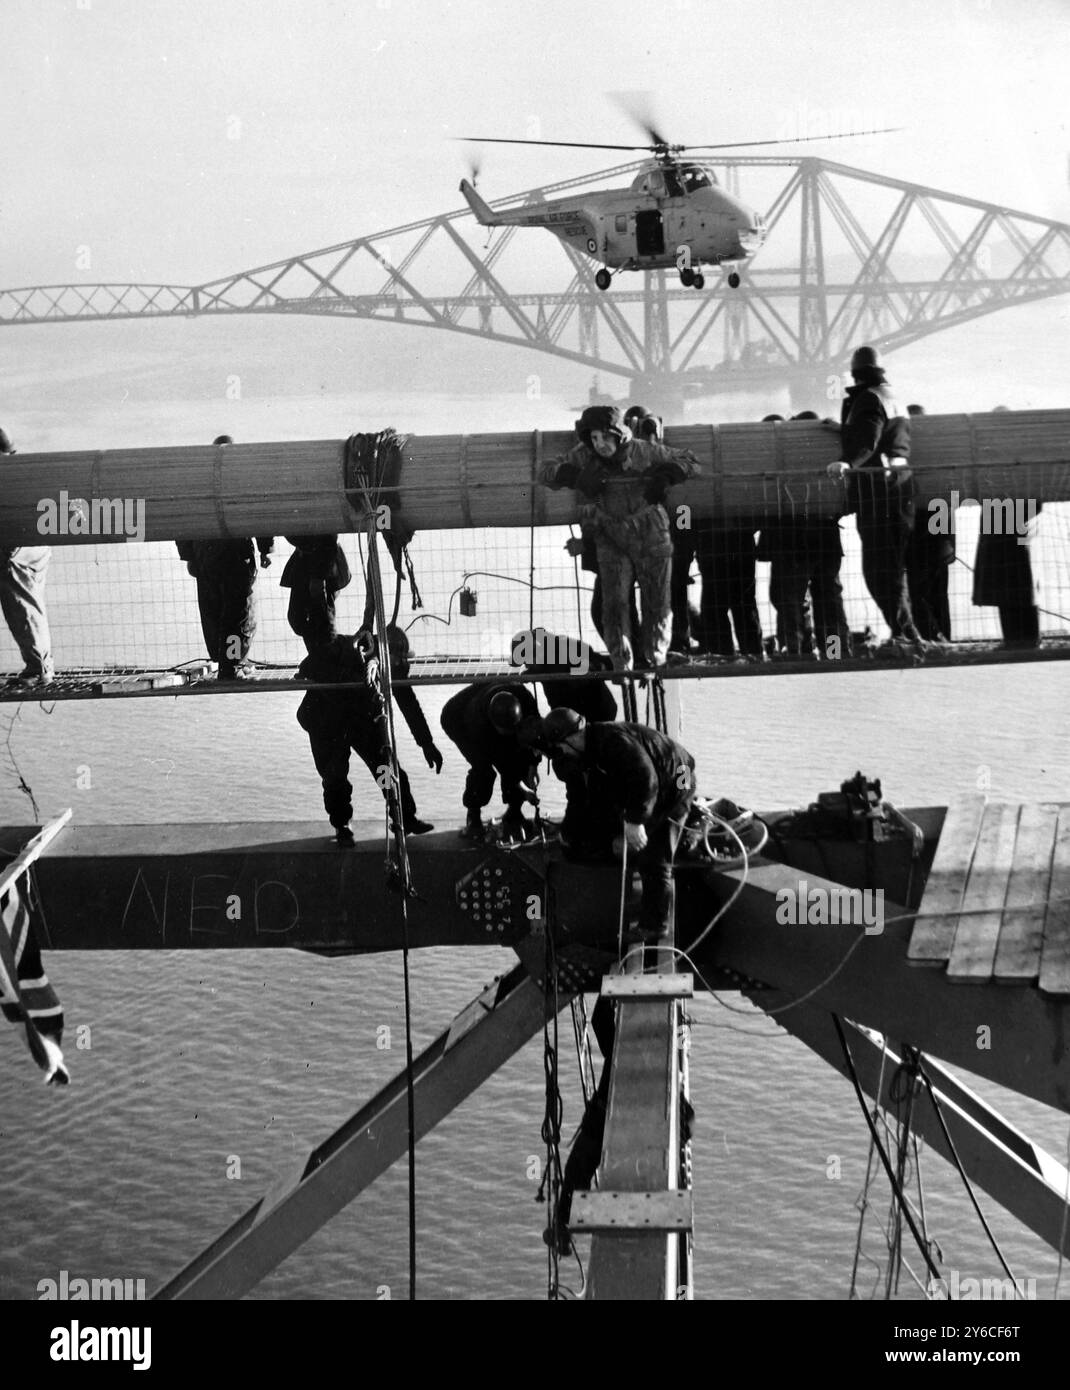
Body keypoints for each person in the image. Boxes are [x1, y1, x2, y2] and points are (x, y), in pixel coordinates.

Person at [540, 406, 700, 670]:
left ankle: (653, 659)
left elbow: (690, 461)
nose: (599, 445)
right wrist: (576, 477)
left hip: (650, 530)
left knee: (657, 601)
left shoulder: (644, 451)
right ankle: (622, 662)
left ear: (617, 434)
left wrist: (666, 475)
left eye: (604, 437)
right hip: (611, 533)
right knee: (613, 604)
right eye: (593, 439)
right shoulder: (584, 456)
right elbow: (545, 471)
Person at [539, 708, 697, 945]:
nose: (560, 753)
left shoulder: (613, 743)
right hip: (655, 782)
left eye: (560, 747)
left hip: (677, 779)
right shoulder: (590, 748)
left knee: (655, 857)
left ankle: (654, 926)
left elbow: (646, 779)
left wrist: (635, 823)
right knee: (626, 835)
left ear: (571, 739)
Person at [295, 626, 440, 845]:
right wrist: (350, 677)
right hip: (326, 720)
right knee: (335, 776)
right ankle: (342, 825)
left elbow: (408, 704)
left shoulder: (393, 668)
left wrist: (427, 744)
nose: (400, 665)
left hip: (360, 720)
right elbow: (308, 665)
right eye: (397, 659)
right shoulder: (345, 648)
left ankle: (405, 817)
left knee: (386, 770)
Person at [826, 347, 923, 647]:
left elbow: (869, 439)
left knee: (879, 570)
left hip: (878, 493)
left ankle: (906, 634)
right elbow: (885, 436)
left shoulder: (867, 399)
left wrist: (847, 462)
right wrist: (842, 429)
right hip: (900, 490)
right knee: (891, 569)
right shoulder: (891, 397)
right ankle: (906, 632)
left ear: (857, 373)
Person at [176, 436, 275, 679]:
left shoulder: (197, 483)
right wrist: (265, 549)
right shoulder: (242, 480)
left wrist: (188, 555)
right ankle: (232, 665)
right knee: (237, 612)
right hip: (236, 556)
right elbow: (258, 515)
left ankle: (224, 660)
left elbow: (182, 518)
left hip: (205, 556)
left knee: (213, 609)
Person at [971, 407, 1040, 648]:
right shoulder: (1016, 452)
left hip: (1009, 521)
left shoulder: (999, 454)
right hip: (1007, 521)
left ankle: (1024, 637)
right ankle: (1019, 638)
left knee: (1015, 582)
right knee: (1013, 582)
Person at [440, 682, 541, 840]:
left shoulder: (526, 701)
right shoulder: (479, 724)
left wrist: (533, 765)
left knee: (521, 755)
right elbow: (504, 764)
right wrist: (524, 789)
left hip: (487, 700)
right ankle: (473, 817)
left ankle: (514, 813)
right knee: (483, 769)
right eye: (504, 731)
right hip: (456, 718)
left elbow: (536, 737)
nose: (508, 735)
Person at [0, 428, 55, 688]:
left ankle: (39, 668)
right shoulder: (21, 469)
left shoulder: (8, 472)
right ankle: (39, 666)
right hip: (30, 543)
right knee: (27, 605)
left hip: (17, 549)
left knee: (23, 606)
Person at [904, 404, 953, 642]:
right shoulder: (941, 452)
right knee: (938, 592)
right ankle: (943, 637)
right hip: (940, 534)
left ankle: (932, 637)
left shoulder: (910, 453)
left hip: (919, 533)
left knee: (917, 590)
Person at [511, 626, 617, 724]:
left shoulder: (565, 653)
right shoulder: (545, 652)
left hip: (595, 714)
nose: (527, 665)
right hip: (574, 713)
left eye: (528, 661)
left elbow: (600, 662)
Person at [280, 534, 352, 653]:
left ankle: (324, 659)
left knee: (321, 617)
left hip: (325, 557)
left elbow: (330, 536)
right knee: (297, 618)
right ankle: (319, 657)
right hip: (305, 558)